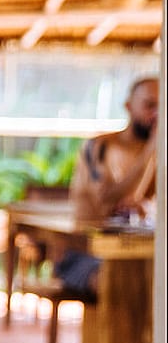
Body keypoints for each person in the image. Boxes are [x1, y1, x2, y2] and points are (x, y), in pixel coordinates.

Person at [56, 75, 159, 292]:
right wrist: (151, 148)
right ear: (129, 107)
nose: (156, 114)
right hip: (84, 253)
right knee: (122, 281)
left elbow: (148, 202)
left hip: (137, 252)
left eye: (162, 106)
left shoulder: (158, 155)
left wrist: (146, 206)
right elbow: (105, 198)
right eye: (150, 105)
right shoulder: (98, 147)